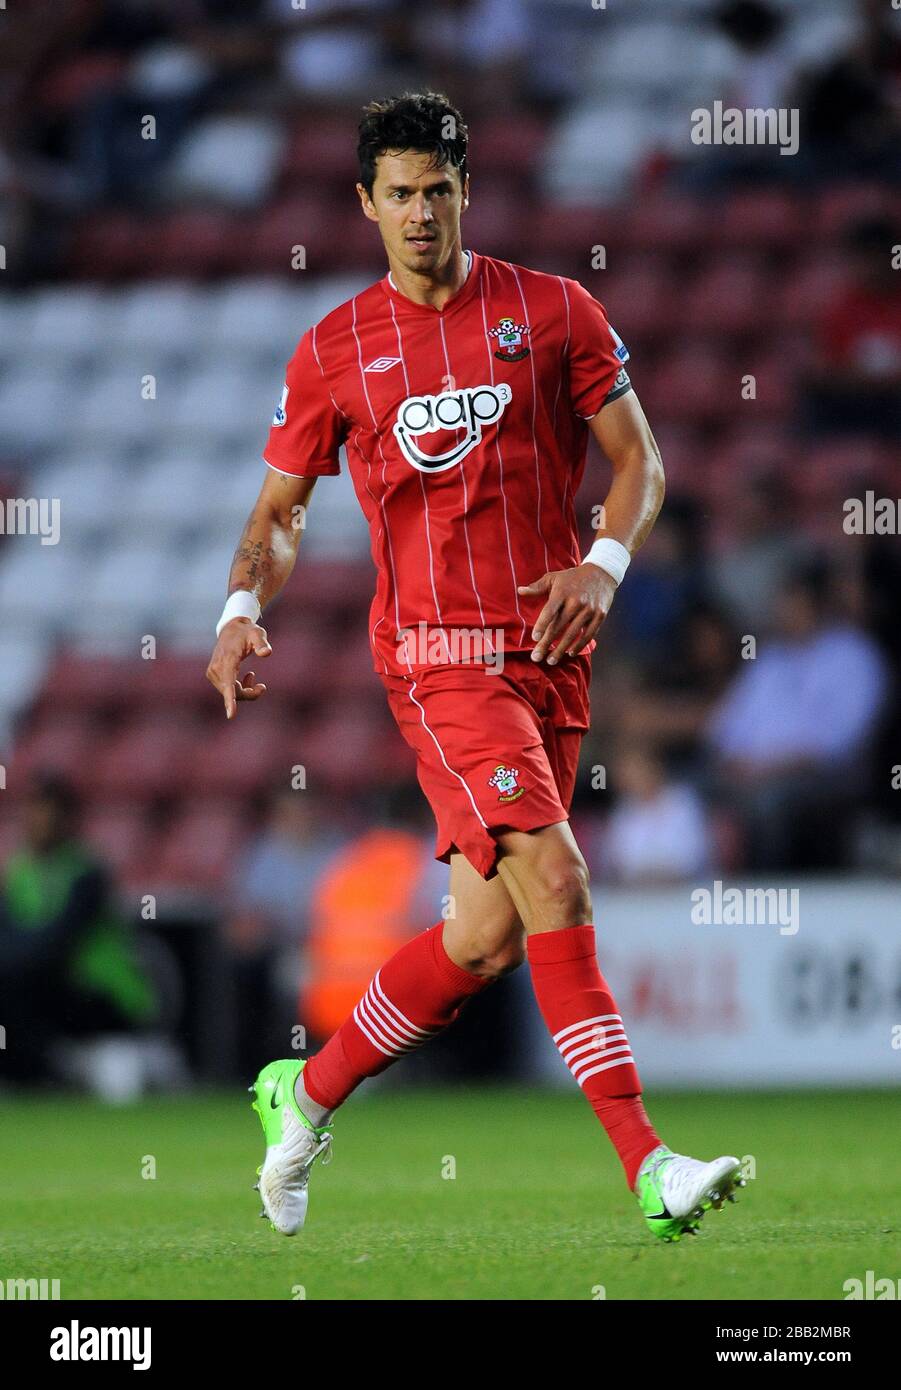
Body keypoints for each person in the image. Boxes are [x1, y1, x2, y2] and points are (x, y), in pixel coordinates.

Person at [206, 92, 744, 1244]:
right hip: (436, 662)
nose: (417, 212)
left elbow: (636, 461)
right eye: (395, 193)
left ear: (466, 190)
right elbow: (281, 512)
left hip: (549, 650)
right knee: (555, 880)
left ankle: (298, 1092)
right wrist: (245, 600)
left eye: (435, 190)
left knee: (485, 939)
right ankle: (648, 1166)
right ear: (363, 203)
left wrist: (602, 563)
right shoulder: (334, 348)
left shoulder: (553, 311)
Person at [0, 772, 158, 1085]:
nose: (36, 821)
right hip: (50, 989)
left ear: (67, 818)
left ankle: (41, 1075)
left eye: (46, 812)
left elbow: (54, 945)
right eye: (31, 811)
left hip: (104, 994)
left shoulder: (86, 874)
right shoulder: (17, 875)